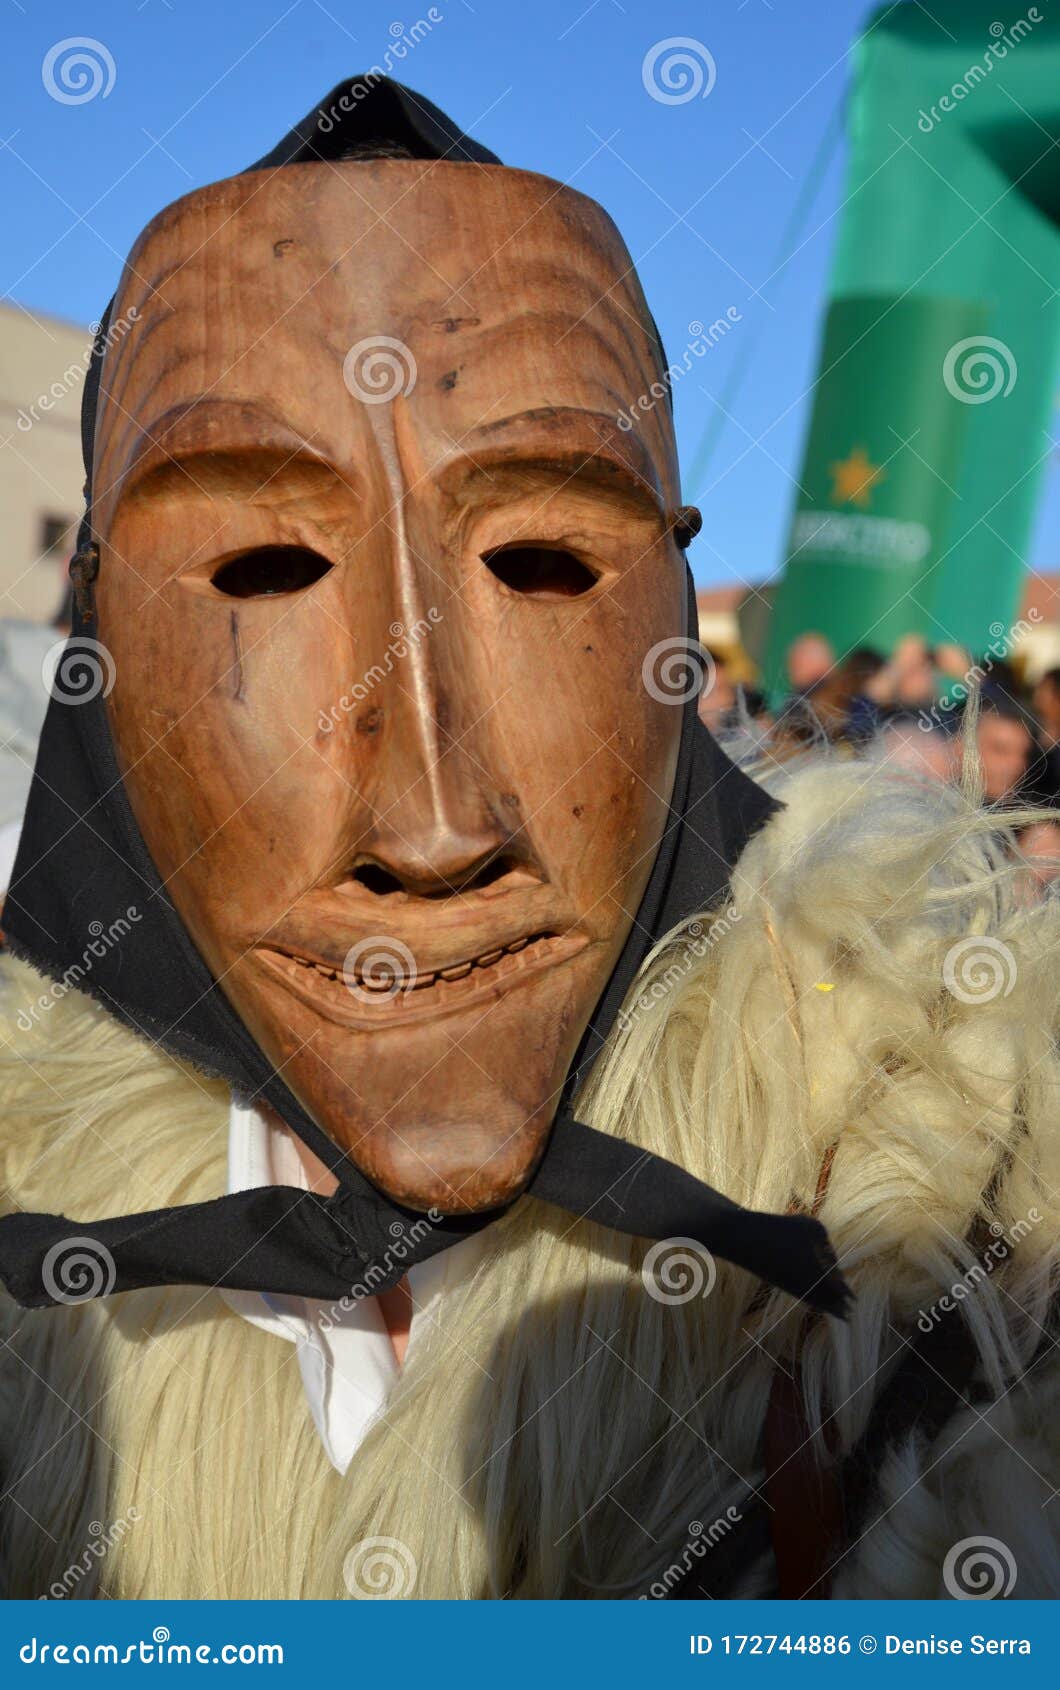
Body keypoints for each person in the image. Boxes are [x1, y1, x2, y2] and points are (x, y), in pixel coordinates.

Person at [2, 78, 1060, 1604]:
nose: (434, 823)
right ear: (102, 656)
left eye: (545, 562)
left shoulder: (962, 1252)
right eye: (264, 566)